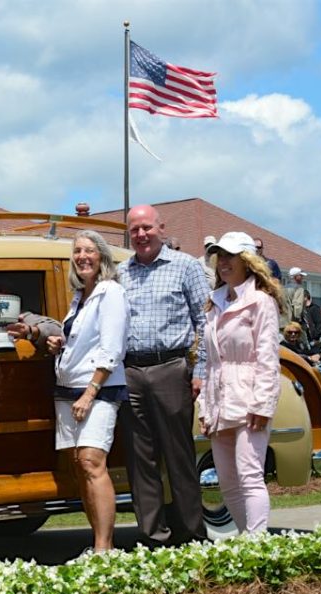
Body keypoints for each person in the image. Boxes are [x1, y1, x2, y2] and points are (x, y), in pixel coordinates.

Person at [117, 203, 210, 547]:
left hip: (171, 368)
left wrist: (199, 369)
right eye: (135, 230)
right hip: (130, 372)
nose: (141, 235)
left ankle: (192, 536)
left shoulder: (185, 267)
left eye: (147, 228)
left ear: (161, 228)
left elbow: (206, 322)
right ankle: (153, 538)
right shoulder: (120, 273)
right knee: (141, 461)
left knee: (179, 456)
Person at [45, 230, 128, 554]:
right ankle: (96, 541)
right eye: (77, 251)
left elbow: (111, 347)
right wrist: (59, 344)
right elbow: (84, 341)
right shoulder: (81, 296)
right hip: (68, 387)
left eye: (89, 251)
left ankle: (104, 549)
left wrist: (90, 392)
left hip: (97, 389)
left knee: (93, 461)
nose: (82, 257)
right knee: (80, 466)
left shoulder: (110, 292)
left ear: (102, 257)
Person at [199, 232, 282, 534]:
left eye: (229, 256)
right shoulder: (214, 303)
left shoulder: (261, 302)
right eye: (219, 256)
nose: (223, 263)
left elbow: (267, 357)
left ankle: (257, 544)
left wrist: (262, 404)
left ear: (247, 261)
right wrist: (205, 408)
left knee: (249, 476)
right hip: (220, 403)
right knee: (227, 481)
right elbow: (210, 362)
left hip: (249, 401)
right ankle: (249, 538)